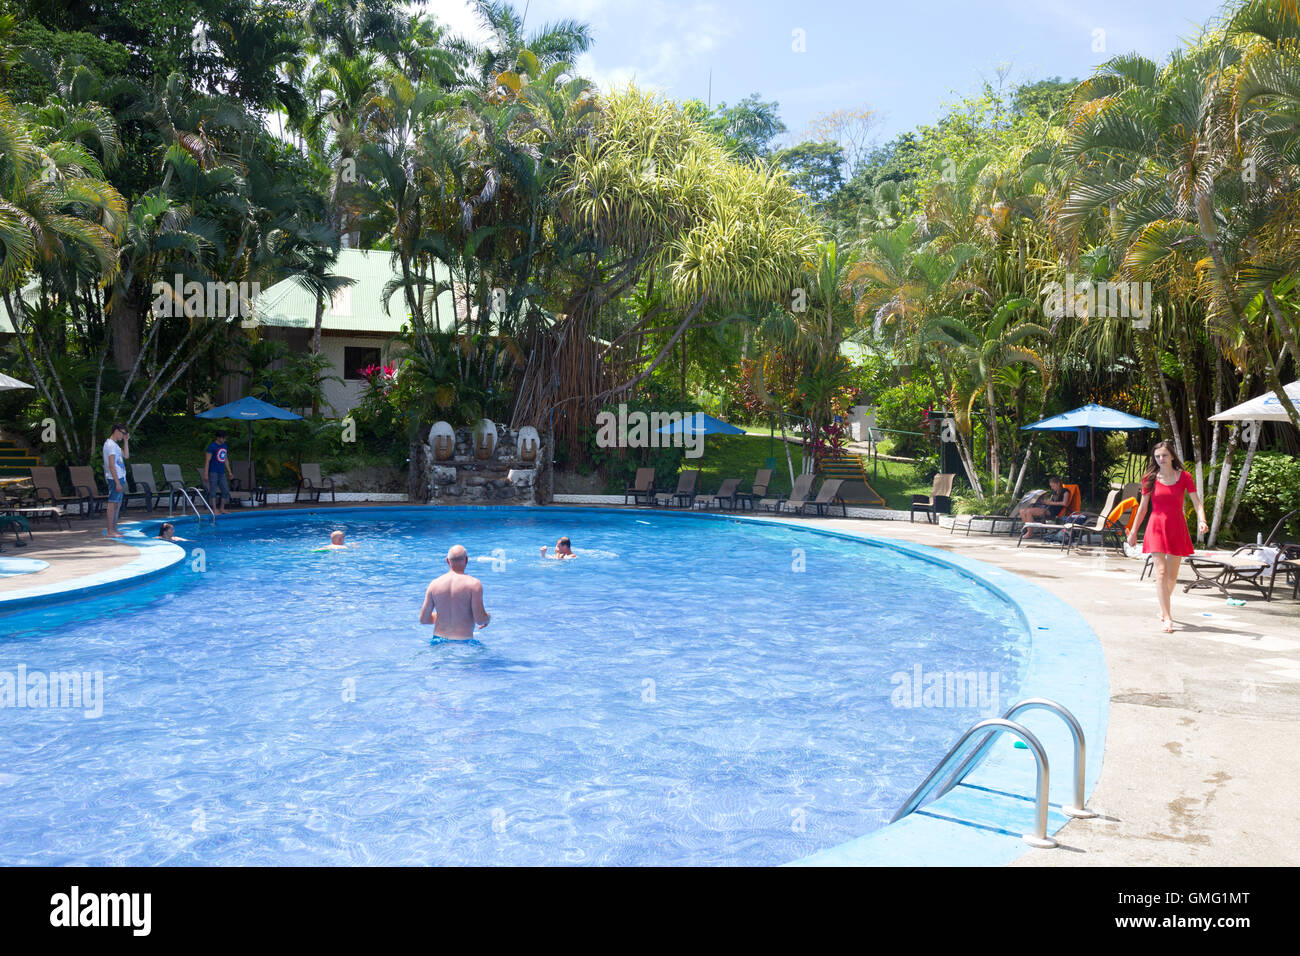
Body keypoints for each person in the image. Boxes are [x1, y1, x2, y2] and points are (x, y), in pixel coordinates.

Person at [1127, 440, 1209, 633]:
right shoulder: (1150, 478)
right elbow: (1143, 508)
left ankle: (1164, 607)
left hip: (1176, 527)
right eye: (1157, 456)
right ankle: (1168, 617)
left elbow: (1197, 502)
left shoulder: (1184, 477)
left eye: (1164, 455)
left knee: (1172, 578)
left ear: (1172, 456)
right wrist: (1133, 531)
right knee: (1161, 573)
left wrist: (1202, 520)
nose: (1161, 459)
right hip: (1156, 526)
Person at [419, 544, 491, 641]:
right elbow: (480, 619)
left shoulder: (434, 584)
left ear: (447, 561)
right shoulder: (474, 584)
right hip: (464, 642)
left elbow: (424, 619)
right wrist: (488, 618)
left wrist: (444, 615)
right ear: (466, 560)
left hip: (438, 641)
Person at [102, 423, 129, 538]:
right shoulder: (110, 445)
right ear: (116, 431)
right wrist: (117, 482)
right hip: (114, 478)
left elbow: (126, 456)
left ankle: (114, 529)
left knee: (117, 504)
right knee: (112, 504)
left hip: (119, 477)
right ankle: (110, 531)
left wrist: (126, 441)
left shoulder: (115, 445)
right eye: (123, 433)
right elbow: (111, 466)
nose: (123, 436)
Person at [203, 430, 230, 516]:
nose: (224, 439)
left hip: (221, 472)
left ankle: (222, 508)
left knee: (225, 490)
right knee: (213, 490)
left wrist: (229, 471)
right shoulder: (212, 446)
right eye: (223, 438)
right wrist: (206, 474)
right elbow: (207, 461)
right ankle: (214, 509)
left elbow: (225, 459)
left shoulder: (224, 446)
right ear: (218, 437)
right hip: (213, 471)